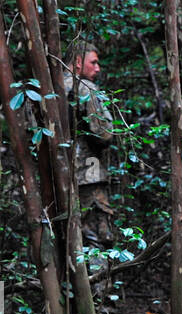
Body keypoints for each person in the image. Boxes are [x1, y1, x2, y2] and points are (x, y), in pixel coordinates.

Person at [64, 45, 114, 247]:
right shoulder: (85, 88)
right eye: (93, 62)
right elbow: (103, 133)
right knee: (96, 239)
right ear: (77, 62)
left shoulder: (46, 88)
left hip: (57, 176)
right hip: (88, 176)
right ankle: (97, 279)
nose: (98, 68)